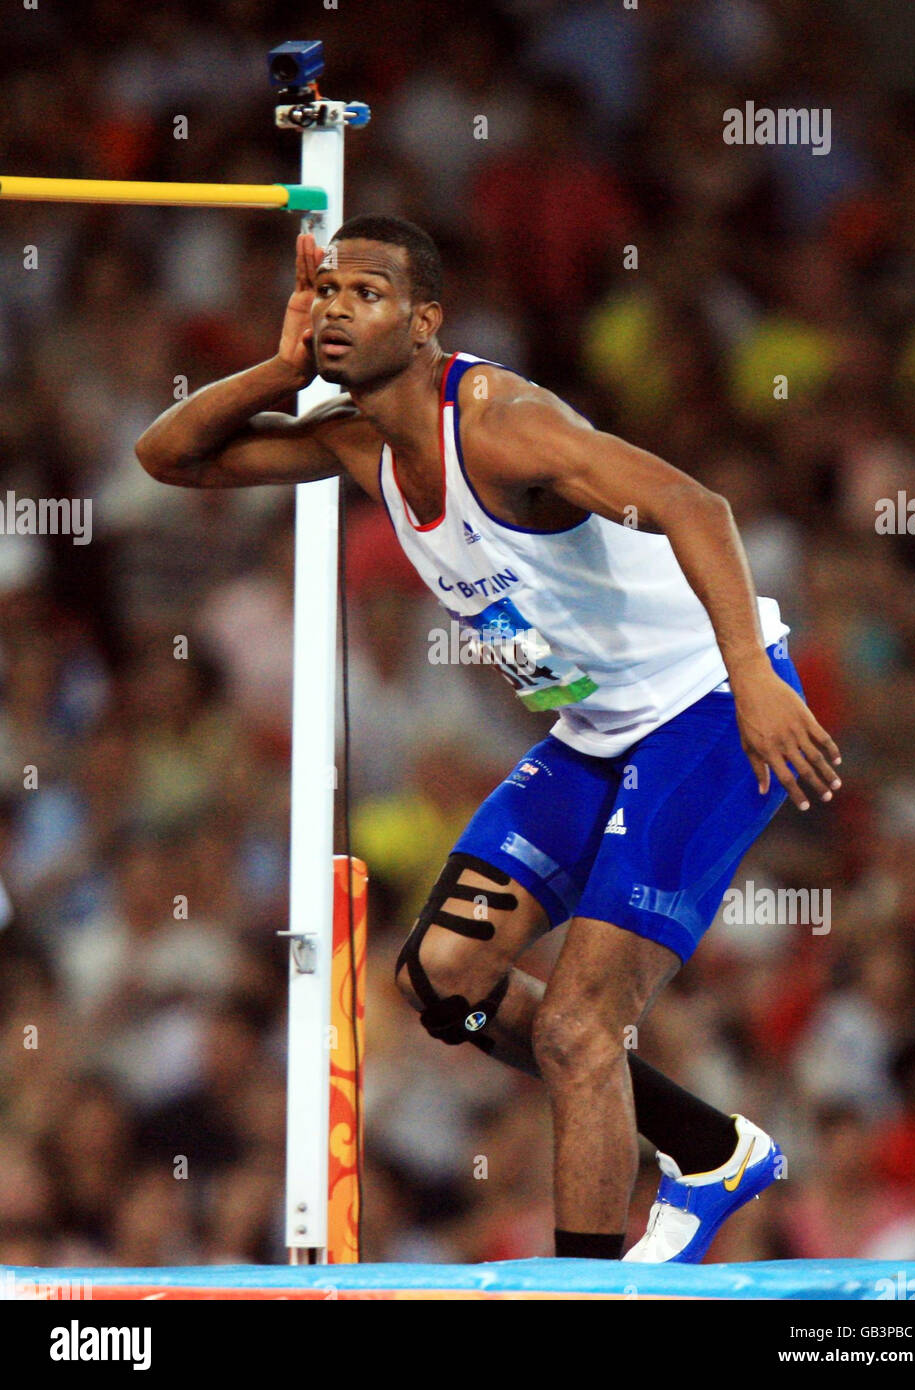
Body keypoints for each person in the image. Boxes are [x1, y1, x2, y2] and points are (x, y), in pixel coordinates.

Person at [135, 215, 842, 1263]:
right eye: (325, 291)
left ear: (424, 323)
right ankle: (710, 1149)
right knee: (443, 977)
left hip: (704, 707)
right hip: (596, 727)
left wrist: (752, 677)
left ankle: (587, 1293)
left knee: (575, 1029)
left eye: (365, 293)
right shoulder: (353, 439)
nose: (336, 307)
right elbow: (171, 458)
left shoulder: (503, 421)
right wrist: (277, 368)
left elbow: (697, 504)